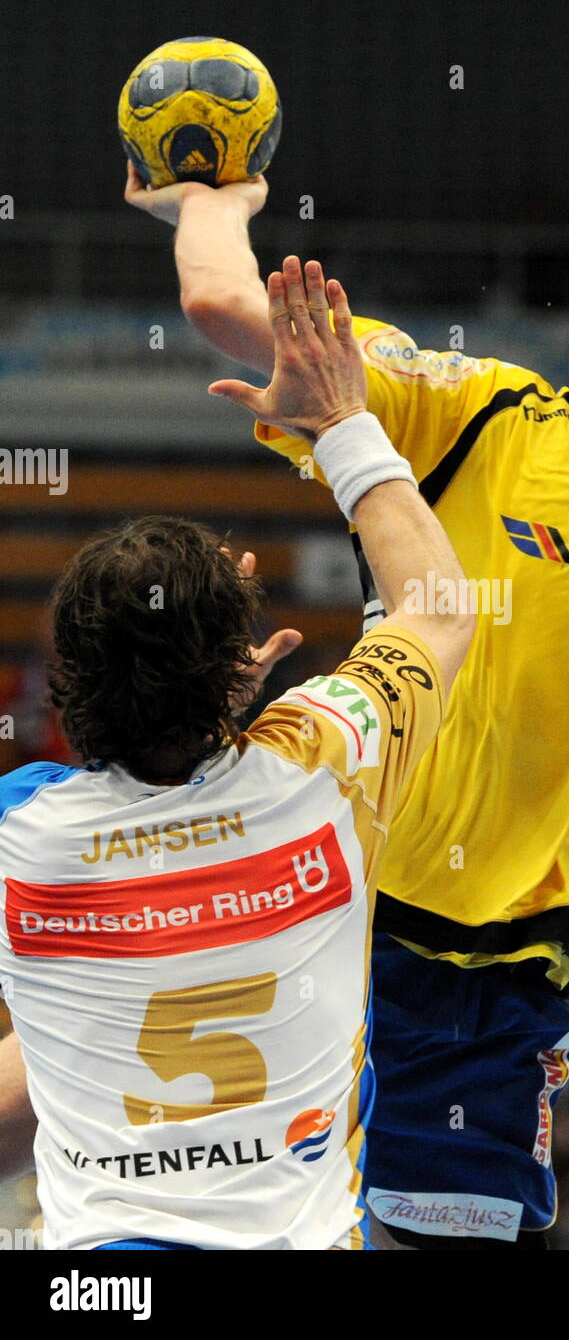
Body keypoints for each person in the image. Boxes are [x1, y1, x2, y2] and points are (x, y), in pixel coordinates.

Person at [1, 159, 569, 1249]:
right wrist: (208, 208)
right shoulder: (488, 410)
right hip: (327, 919)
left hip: (508, 992)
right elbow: (231, 309)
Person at [0, 258, 473, 1250]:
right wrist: (342, 420)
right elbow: (439, 608)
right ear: (235, 679)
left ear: (67, 690)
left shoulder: (21, 832)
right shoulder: (321, 765)